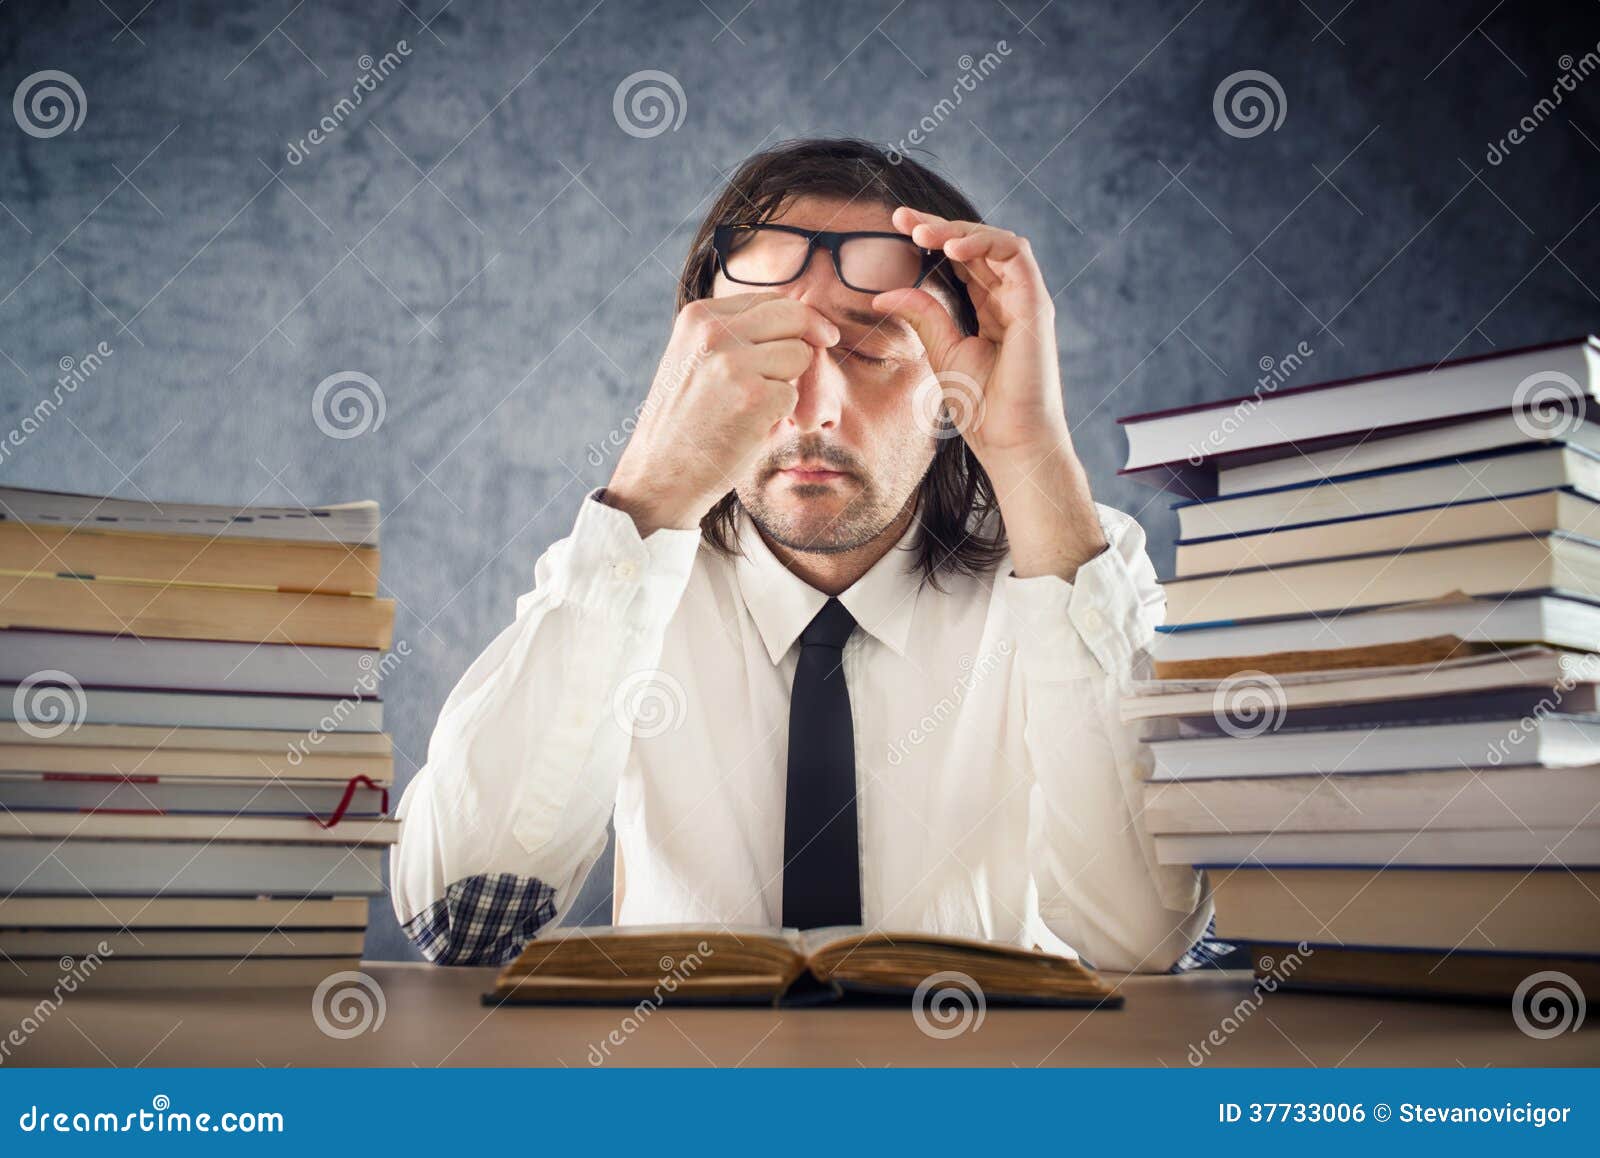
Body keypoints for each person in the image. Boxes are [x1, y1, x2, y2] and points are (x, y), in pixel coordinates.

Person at [390, 137, 1211, 972]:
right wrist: (645, 497)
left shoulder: (1069, 566)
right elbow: (464, 922)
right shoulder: (626, 574)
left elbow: (1142, 938)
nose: (812, 408)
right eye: (764, 348)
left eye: (870, 350)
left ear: (953, 387)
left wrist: (1033, 452)